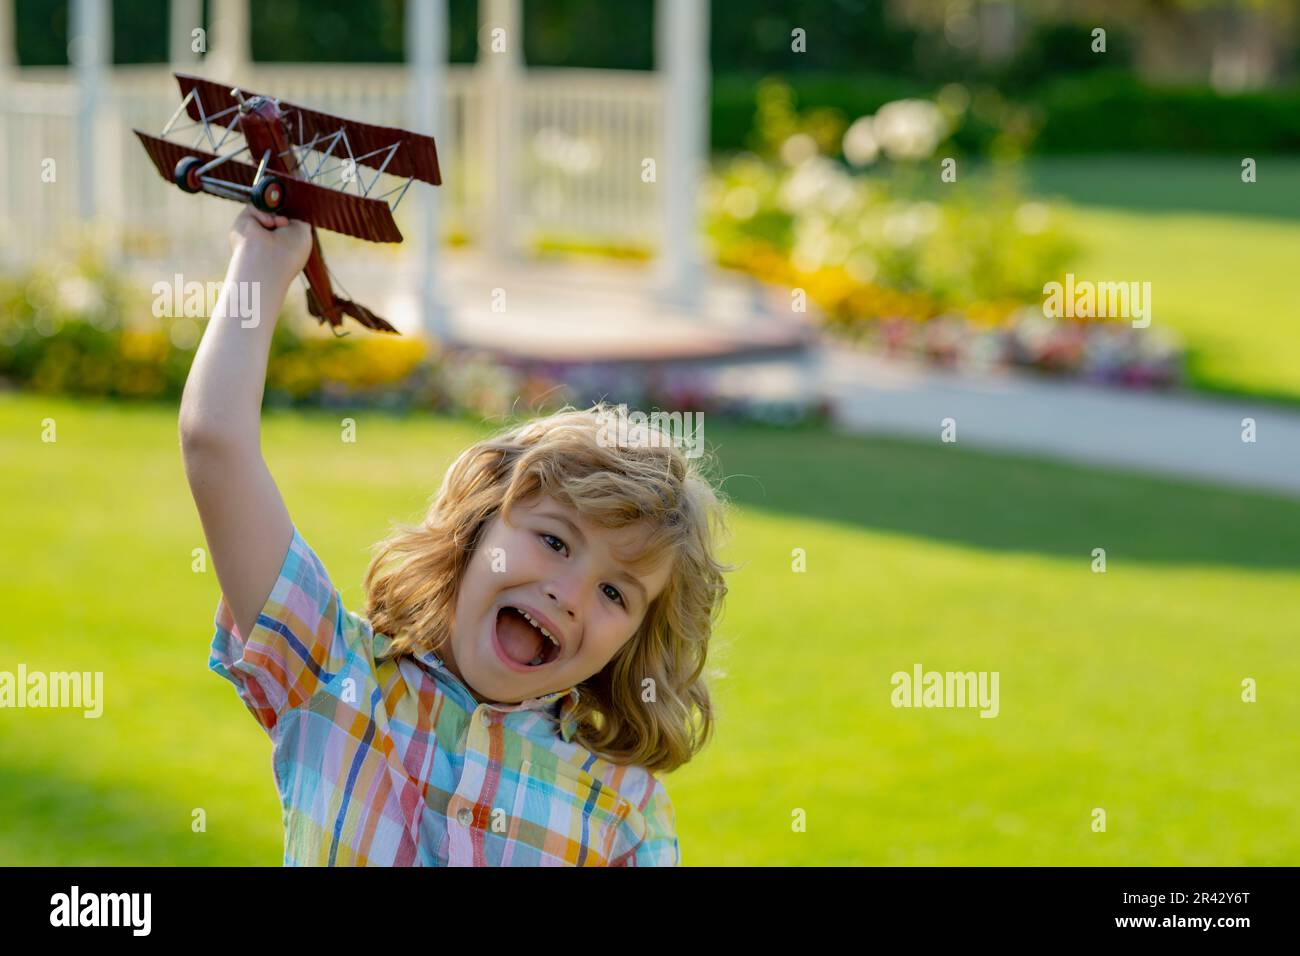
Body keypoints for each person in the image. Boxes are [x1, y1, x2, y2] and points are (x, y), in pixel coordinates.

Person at [179, 206, 731, 866]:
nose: (570, 595)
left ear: (636, 640)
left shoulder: (625, 806)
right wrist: (264, 264)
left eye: (616, 592)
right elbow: (216, 445)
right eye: (555, 542)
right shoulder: (337, 675)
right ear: (477, 525)